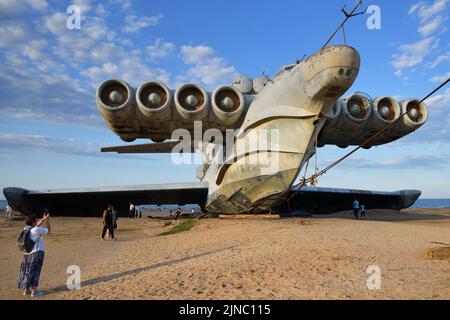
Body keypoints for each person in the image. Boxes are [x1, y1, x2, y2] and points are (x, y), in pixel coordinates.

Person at [17, 210, 51, 297]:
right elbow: (48, 230)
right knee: (35, 271)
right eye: (35, 220)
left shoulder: (26, 229)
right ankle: (34, 291)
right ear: (33, 222)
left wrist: (43, 219)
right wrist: (47, 220)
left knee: (27, 271)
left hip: (27, 254)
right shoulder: (36, 230)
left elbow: (35, 226)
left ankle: (26, 291)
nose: (37, 221)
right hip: (37, 253)